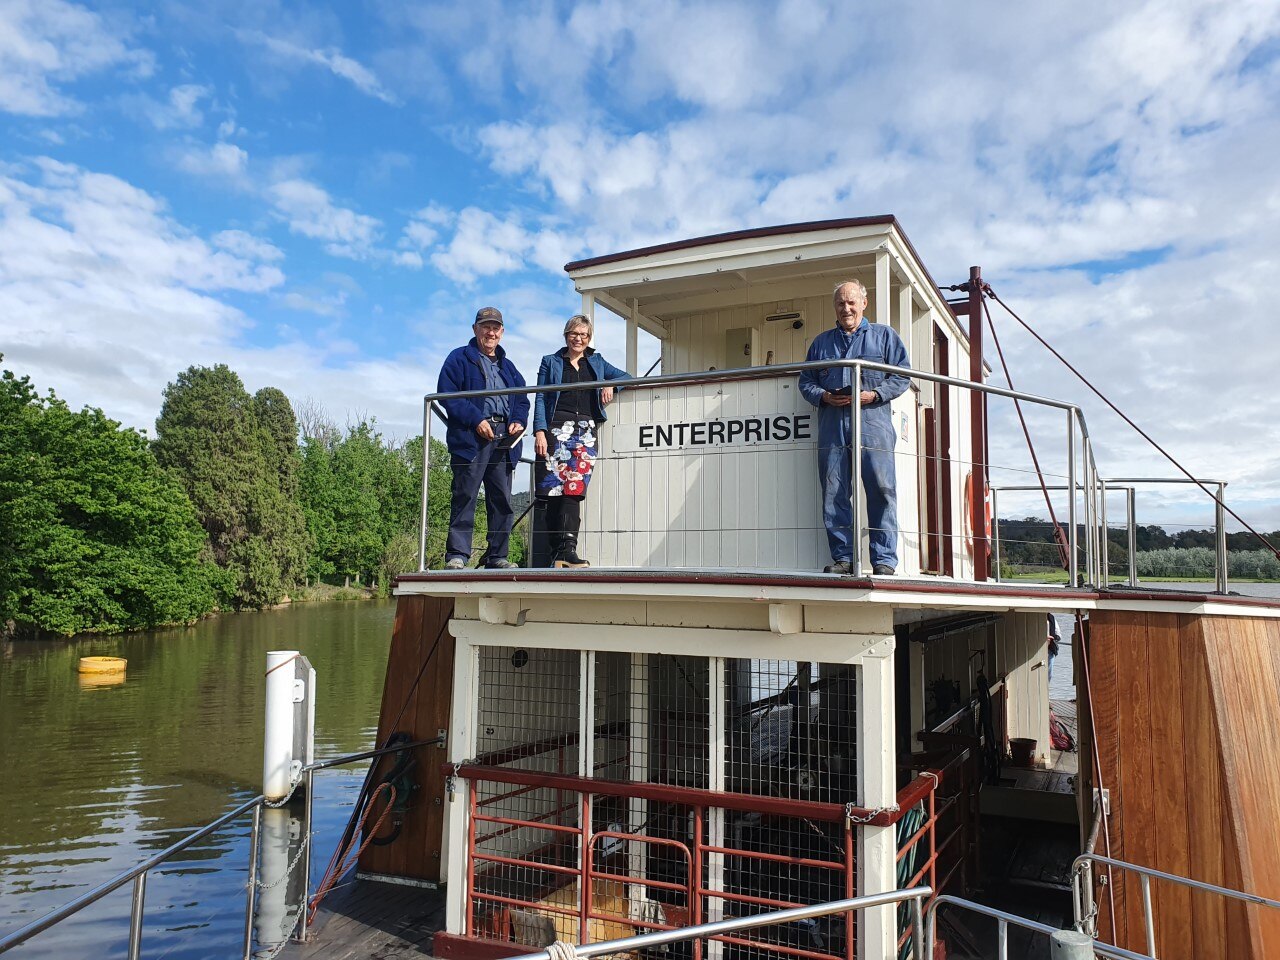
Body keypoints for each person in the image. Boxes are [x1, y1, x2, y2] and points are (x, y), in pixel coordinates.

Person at [799, 280, 911, 575]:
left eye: (851, 302)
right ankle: (844, 558)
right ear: (834, 306)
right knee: (834, 492)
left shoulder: (885, 337)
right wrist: (823, 396)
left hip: (873, 421)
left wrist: (874, 395)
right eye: (840, 303)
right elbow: (805, 382)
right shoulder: (821, 343)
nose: (846, 308)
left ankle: (884, 561)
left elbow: (902, 377)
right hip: (833, 424)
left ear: (864, 303)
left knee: (882, 489)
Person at [533, 314, 630, 567]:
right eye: (574, 334)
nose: (579, 339)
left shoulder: (596, 362)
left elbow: (627, 377)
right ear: (566, 336)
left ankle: (568, 549)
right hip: (555, 429)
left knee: (574, 489)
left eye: (584, 335)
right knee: (553, 489)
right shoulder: (551, 362)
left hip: (585, 431)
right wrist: (539, 430)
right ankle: (557, 552)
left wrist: (611, 386)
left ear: (589, 338)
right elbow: (541, 397)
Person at [437, 307, 529, 570]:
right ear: (475, 329)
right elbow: (446, 394)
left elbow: (522, 399)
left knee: (502, 500)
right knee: (465, 495)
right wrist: (476, 419)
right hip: (471, 439)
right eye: (486, 326)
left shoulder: (509, 367)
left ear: (502, 332)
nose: (491, 332)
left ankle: (497, 556)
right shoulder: (458, 358)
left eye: (495, 327)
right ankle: (457, 555)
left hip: (504, 441)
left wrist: (518, 421)